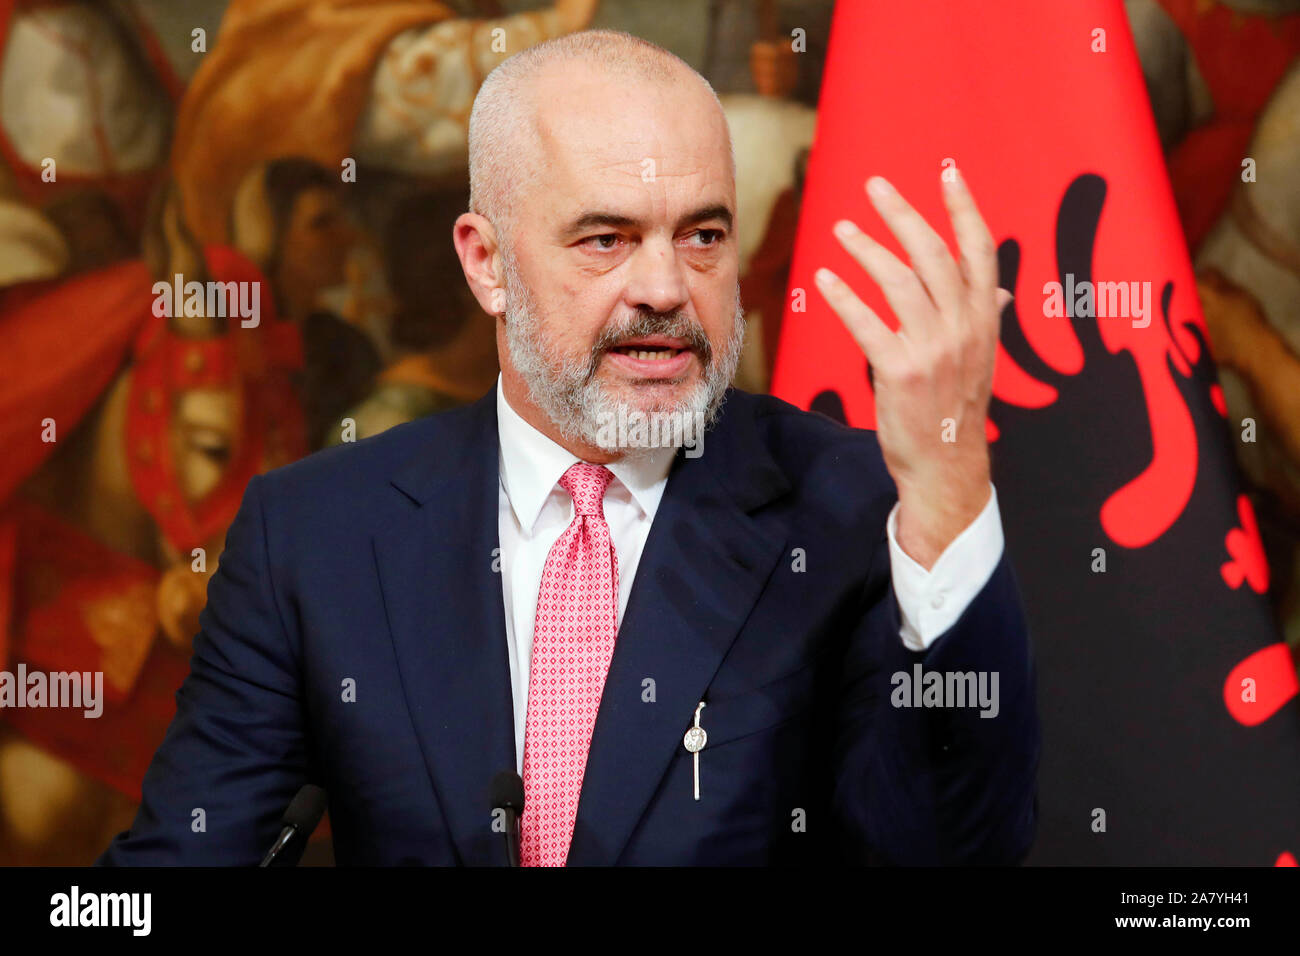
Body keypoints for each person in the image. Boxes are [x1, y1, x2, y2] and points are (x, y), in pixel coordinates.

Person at [98, 29, 1038, 867]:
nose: (666, 287)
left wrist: (948, 487)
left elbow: (951, 847)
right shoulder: (314, 536)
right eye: (606, 239)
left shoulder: (858, 513)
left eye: (703, 235)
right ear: (487, 263)